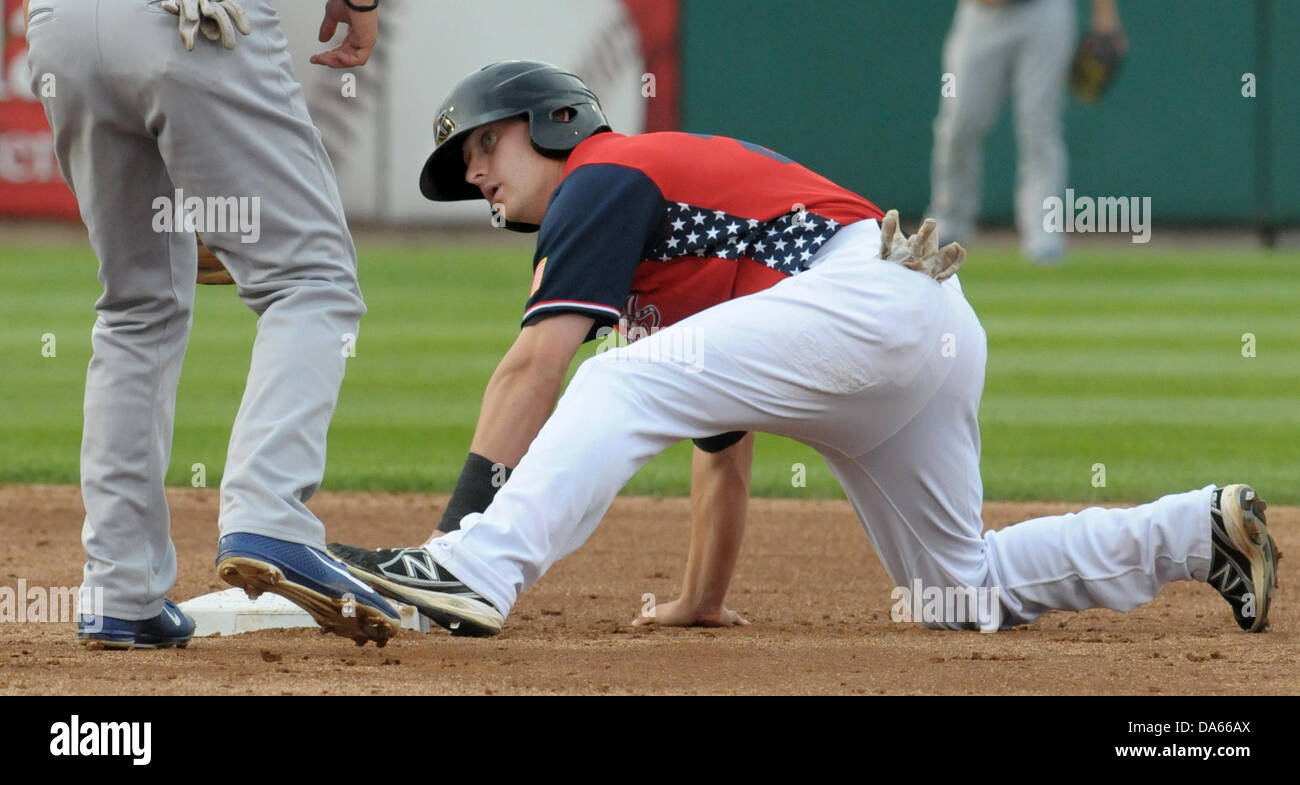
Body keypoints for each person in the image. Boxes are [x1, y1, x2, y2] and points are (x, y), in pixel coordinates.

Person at [328, 60, 1278, 638]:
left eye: (486, 145)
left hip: (868, 298)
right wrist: (701, 597)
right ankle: (1197, 530)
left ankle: (479, 569)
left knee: (605, 379)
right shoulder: (660, 280)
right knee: (957, 590)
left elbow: (533, 366)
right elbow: (722, 445)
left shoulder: (603, 173)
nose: (478, 174)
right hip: (921, 326)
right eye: (466, 167)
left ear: (553, 124)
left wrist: (452, 539)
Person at [27, 0, 402, 649]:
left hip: (58, 25)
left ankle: (121, 589)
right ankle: (269, 514)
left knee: (134, 304)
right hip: (188, 20)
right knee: (310, 278)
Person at [926, 0, 1126, 264]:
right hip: (978, 16)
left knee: (1040, 128)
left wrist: (1106, 17)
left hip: (1045, 13)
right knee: (956, 124)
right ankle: (948, 225)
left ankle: (1044, 237)